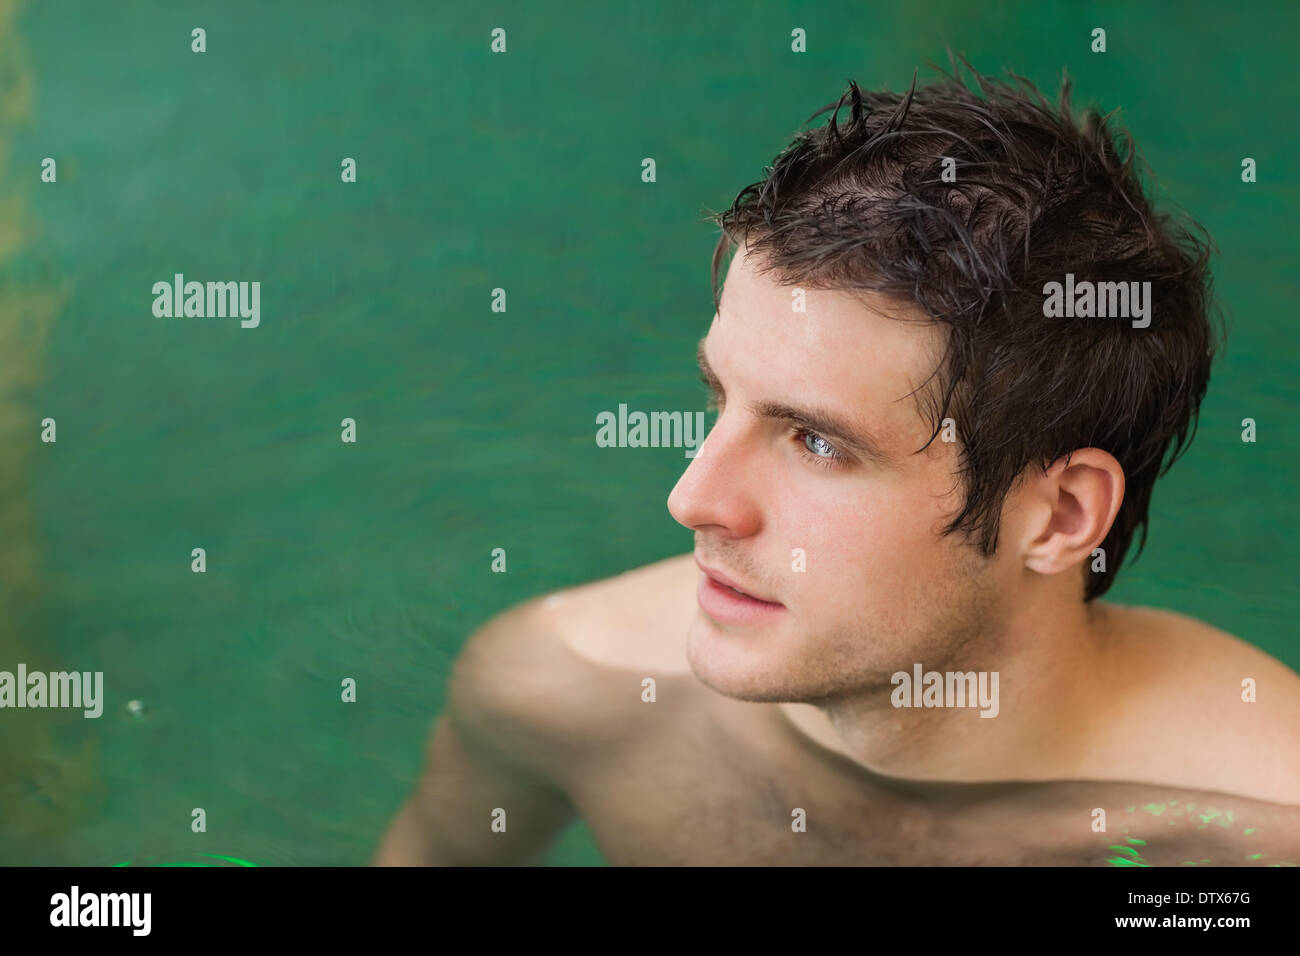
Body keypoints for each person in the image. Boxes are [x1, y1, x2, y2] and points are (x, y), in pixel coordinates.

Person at [374, 64, 1300, 866]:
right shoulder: (565, 688)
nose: (693, 498)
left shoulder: (1256, 827)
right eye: (718, 399)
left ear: (1058, 517)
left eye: (817, 442)